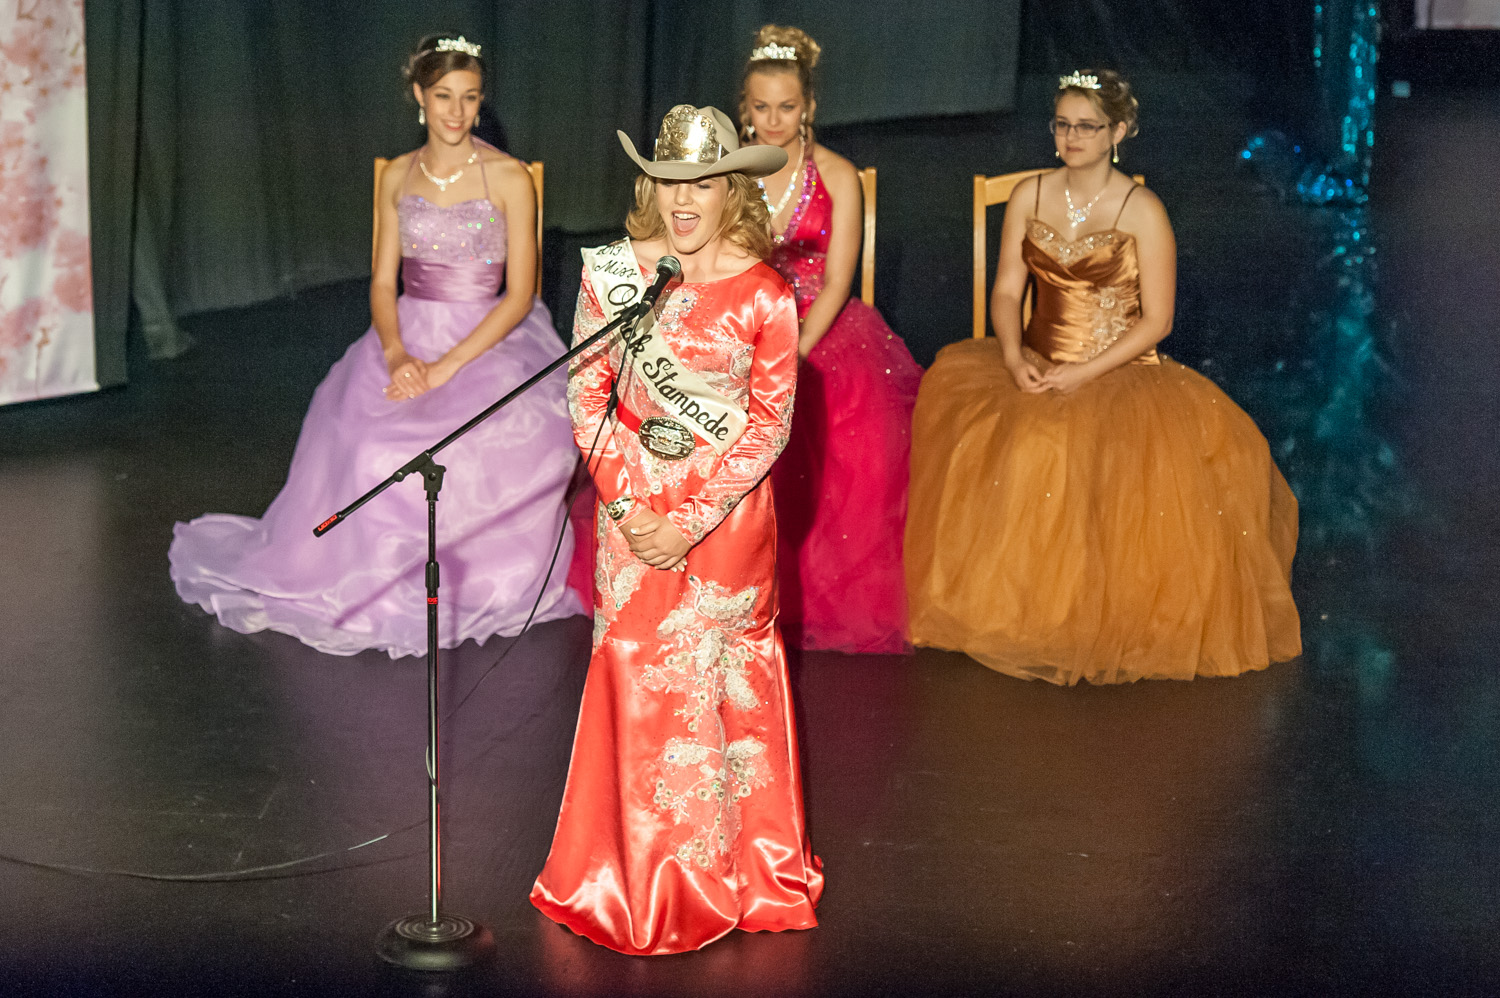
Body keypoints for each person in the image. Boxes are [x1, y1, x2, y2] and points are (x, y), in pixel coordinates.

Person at [169, 34, 582, 658]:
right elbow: (383, 283)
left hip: (488, 338)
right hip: (408, 332)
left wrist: (446, 367)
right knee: (362, 443)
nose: (456, 111)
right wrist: (396, 354)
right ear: (418, 95)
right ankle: (355, 582)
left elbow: (520, 295)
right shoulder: (397, 176)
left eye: (469, 98)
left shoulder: (508, 178)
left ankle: (460, 582)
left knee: (470, 445)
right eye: (443, 96)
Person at [531, 104, 821, 954]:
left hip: (726, 520)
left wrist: (688, 521)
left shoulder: (767, 295)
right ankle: (630, 877)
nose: (682, 200)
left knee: (719, 683)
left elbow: (769, 426)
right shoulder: (615, 274)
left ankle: (743, 871)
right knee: (634, 673)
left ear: (731, 187)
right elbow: (586, 396)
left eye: (700, 183)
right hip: (632, 511)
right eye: (667, 182)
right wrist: (628, 508)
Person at [904, 69, 1302, 684]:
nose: (1071, 137)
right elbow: (1008, 289)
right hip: (1035, 360)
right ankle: (1025, 610)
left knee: (1089, 458)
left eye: (1086, 127)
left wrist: (1083, 373)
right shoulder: (1030, 195)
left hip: (1118, 369)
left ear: (1119, 131)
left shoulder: (1141, 209)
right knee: (1006, 442)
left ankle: (1091, 614)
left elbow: (1159, 319)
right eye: (1062, 124)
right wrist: (1014, 356)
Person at [741, 25, 923, 655]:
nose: (773, 120)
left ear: (809, 108)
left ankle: (816, 592)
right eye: (761, 108)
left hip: (821, 322)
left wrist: (794, 349)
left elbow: (841, 280)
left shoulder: (839, 175)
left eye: (786, 108)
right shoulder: (726, 173)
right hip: (745, 318)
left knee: (856, 427)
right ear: (745, 108)